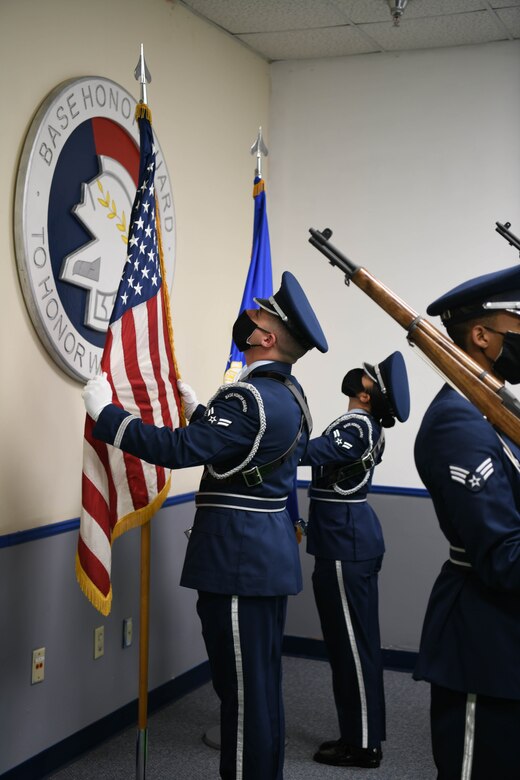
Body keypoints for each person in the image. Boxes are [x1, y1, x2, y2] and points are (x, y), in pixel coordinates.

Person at [82, 271, 328, 780]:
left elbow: (176, 452)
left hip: (238, 563)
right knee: (259, 687)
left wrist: (106, 414)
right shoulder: (291, 396)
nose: (250, 317)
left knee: (240, 693)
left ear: (267, 337)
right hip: (265, 558)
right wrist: (202, 413)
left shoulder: (248, 399)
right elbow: (249, 459)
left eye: (259, 315)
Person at [413, 264, 520, 779]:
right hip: (485, 641)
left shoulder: (497, 410)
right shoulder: (458, 423)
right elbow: (504, 560)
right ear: (481, 335)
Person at [300, 352, 410, 769]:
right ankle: (361, 735)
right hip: (346, 538)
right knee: (354, 644)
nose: (359, 372)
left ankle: (362, 746)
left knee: (351, 647)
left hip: (346, 542)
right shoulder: (365, 424)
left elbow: (314, 452)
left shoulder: (356, 425)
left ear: (366, 394)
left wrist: (271, 435)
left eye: (367, 375)